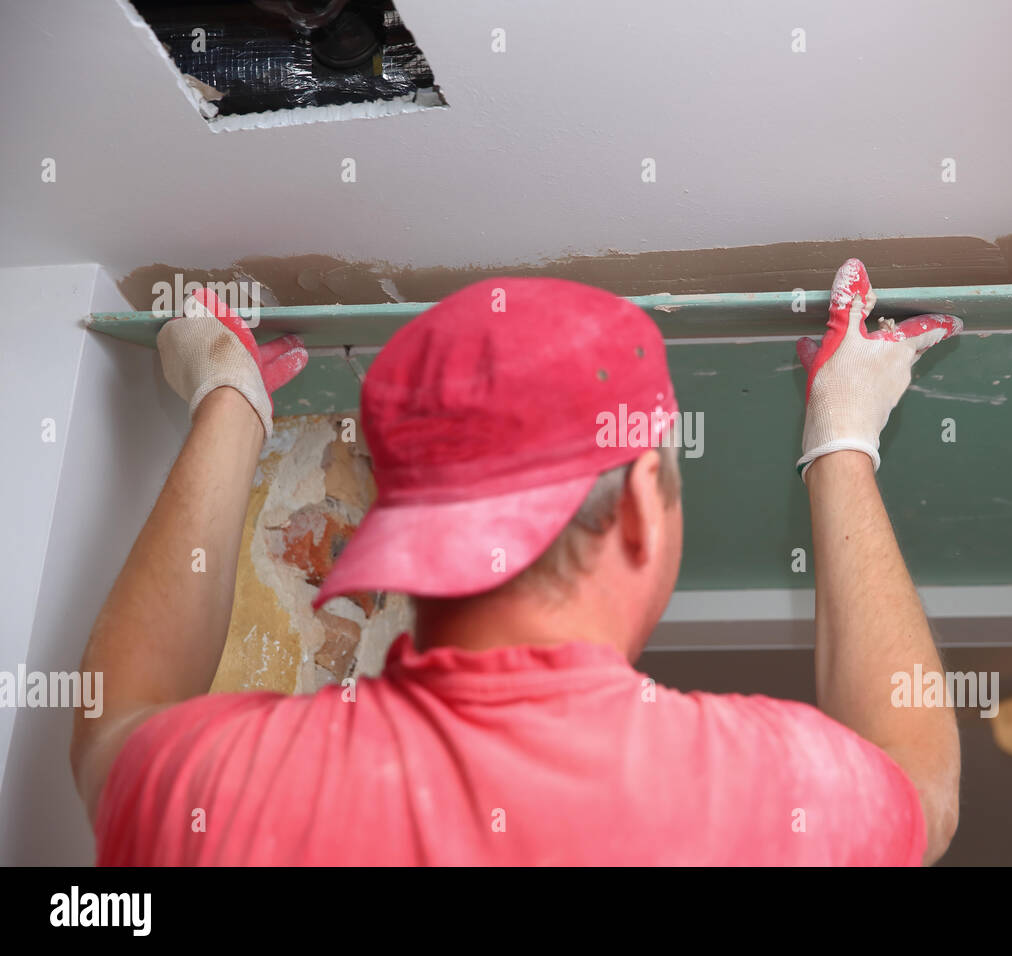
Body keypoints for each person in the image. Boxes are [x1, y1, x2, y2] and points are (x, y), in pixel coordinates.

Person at [71, 259, 962, 865]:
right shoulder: (768, 797)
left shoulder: (228, 794)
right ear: (644, 513)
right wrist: (843, 436)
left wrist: (229, 400)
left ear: (398, 537)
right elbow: (920, 781)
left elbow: (113, 724)